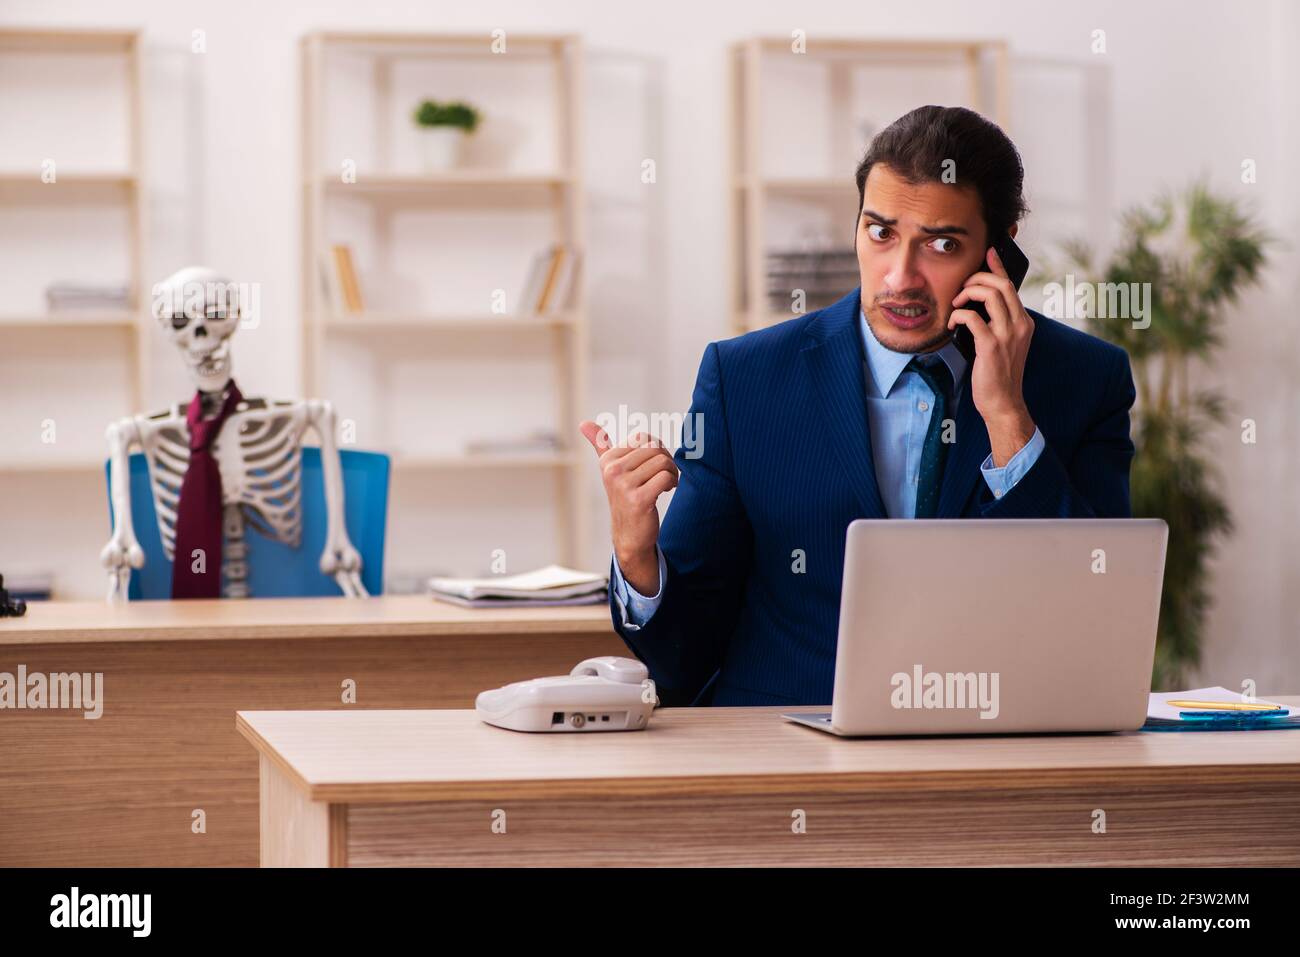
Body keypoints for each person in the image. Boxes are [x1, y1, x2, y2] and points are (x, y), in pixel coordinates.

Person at [579, 105, 1136, 707]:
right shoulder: (745, 380)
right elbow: (684, 661)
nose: (900, 277)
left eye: (942, 244)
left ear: (999, 252)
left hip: (1001, 746)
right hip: (785, 749)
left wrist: (1008, 417)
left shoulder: (1085, 379)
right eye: (881, 233)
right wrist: (636, 555)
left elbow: (1093, 612)